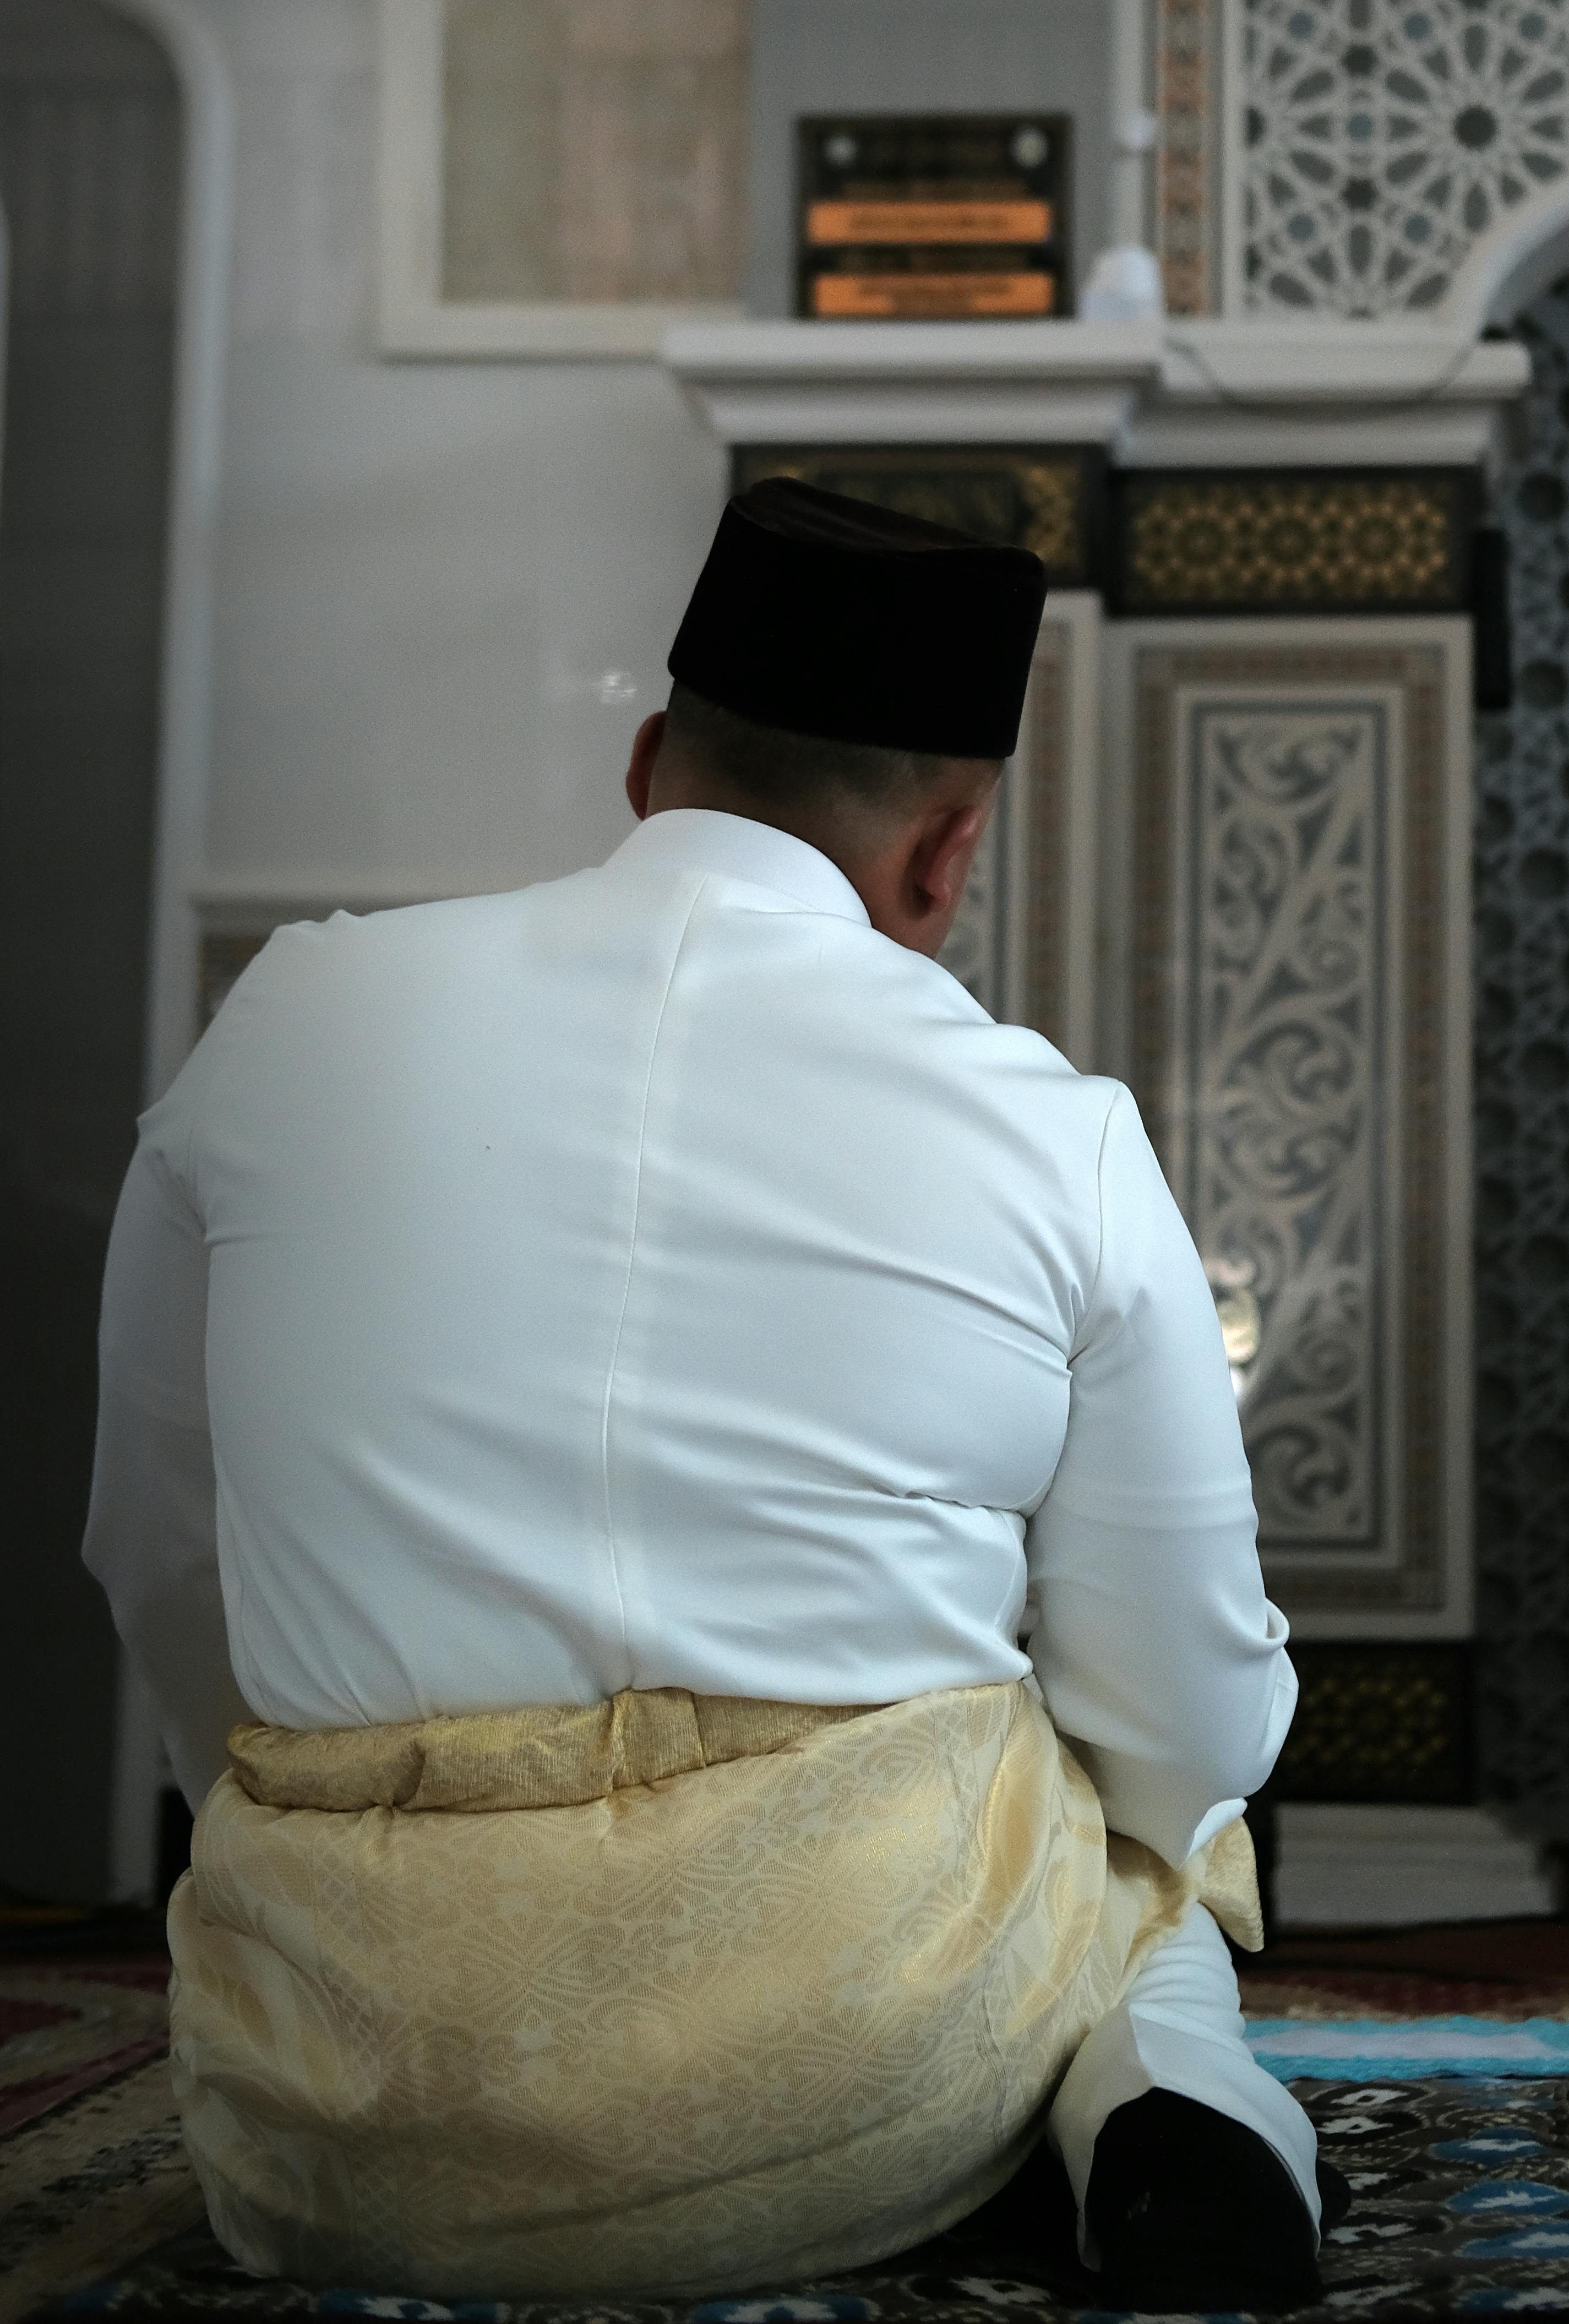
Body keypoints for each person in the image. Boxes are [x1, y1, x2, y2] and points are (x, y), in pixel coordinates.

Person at [85, 481, 1328, 2310]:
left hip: (339, 2104)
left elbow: (162, 1559)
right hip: (845, 2081)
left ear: (651, 757)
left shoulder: (288, 1016)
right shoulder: (1053, 1134)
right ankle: (1175, 2094)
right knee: (1178, 1817)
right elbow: (1183, 1708)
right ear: (948, 853)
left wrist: (341, 1826)